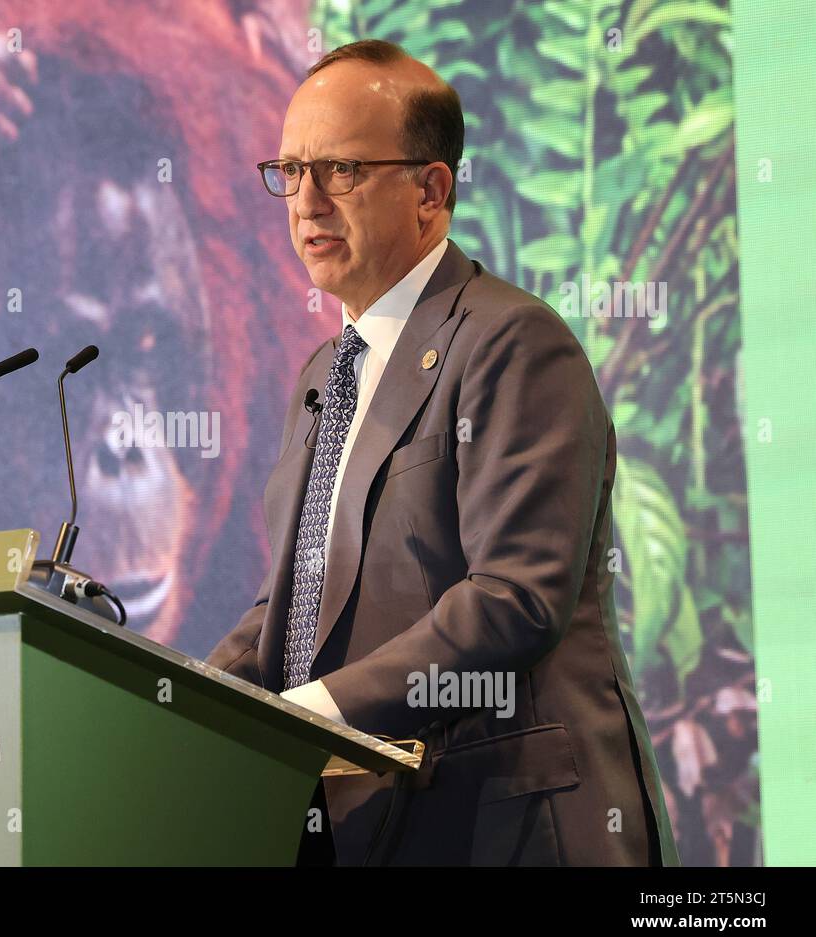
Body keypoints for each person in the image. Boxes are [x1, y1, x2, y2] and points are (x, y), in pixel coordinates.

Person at [205, 39, 678, 866]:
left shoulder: (511, 342)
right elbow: (299, 596)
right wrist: (191, 707)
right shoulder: (324, 373)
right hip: (377, 832)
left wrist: (313, 714)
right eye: (290, 171)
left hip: (511, 827)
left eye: (341, 170)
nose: (305, 202)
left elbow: (514, 596)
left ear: (431, 190)